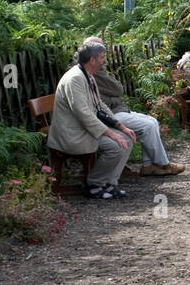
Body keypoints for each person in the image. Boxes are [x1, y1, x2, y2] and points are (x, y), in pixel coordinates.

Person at [82, 37, 184, 176]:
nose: (104, 57)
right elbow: (118, 89)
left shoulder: (96, 69)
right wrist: (113, 94)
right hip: (110, 113)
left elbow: (114, 90)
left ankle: (148, 166)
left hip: (116, 109)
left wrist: (113, 94)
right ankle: (162, 164)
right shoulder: (90, 70)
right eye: (101, 53)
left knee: (152, 121)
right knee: (147, 126)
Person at [48, 42, 136, 199]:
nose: (104, 61)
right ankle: (93, 184)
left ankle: (109, 183)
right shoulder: (74, 79)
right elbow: (83, 114)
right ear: (92, 60)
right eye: (102, 57)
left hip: (84, 128)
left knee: (127, 138)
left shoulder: (88, 75)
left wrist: (121, 128)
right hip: (72, 133)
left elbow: (99, 105)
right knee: (116, 146)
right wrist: (112, 134)